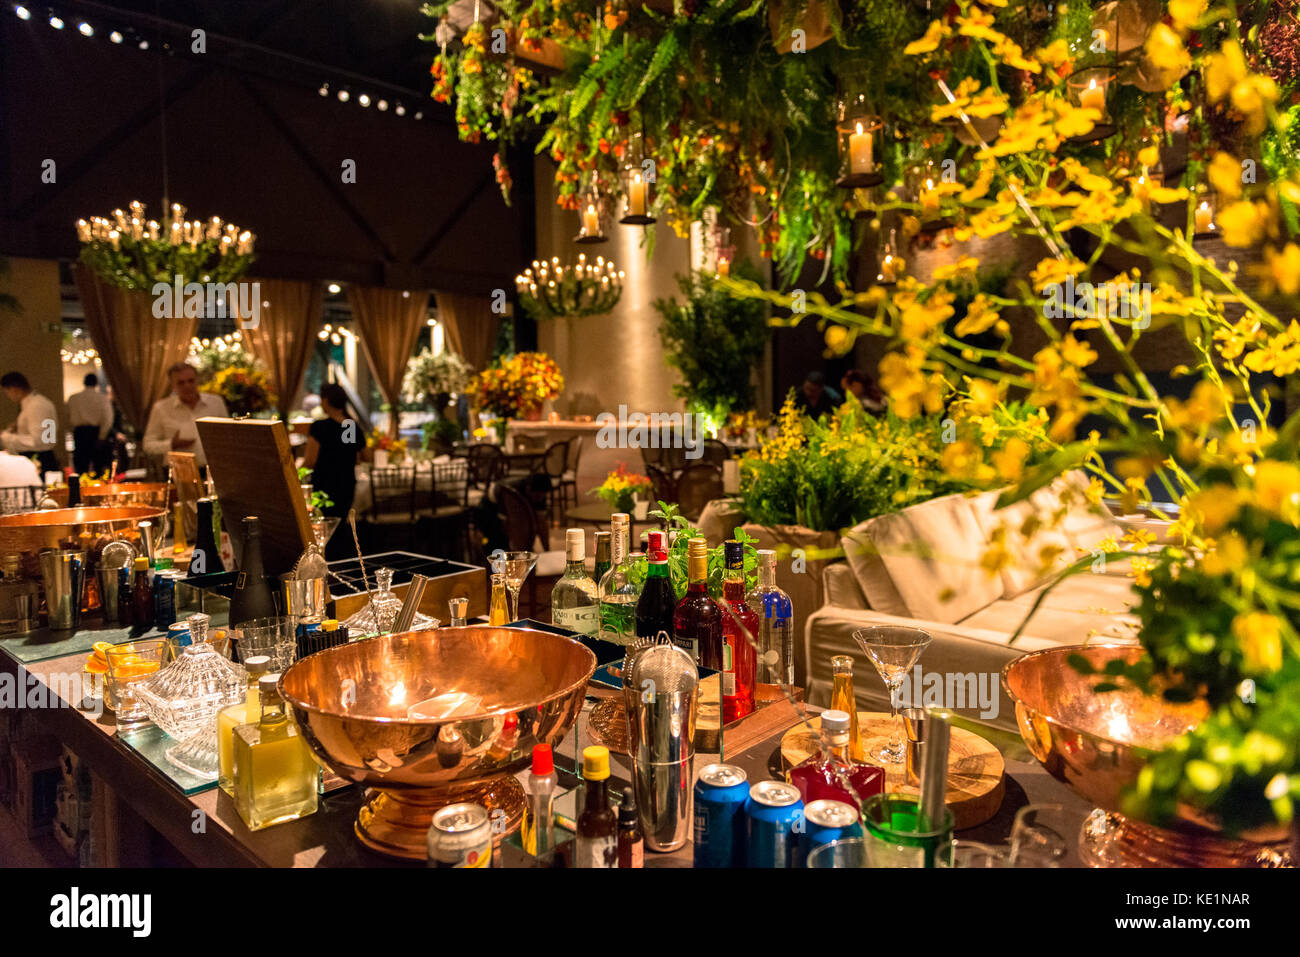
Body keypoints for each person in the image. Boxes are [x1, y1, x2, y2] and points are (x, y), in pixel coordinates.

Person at [143, 362, 228, 469]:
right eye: (181, 383)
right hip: (179, 471)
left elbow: (228, 437)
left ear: (197, 380)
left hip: (214, 468)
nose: (187, 386)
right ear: (173, 385)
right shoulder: (161, 408)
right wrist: (172, 444)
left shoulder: (215, 403)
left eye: (190, 381)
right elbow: (148, 445)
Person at [302, 383, 359, 520]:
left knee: (324, 524)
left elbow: (310, 461)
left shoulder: (320, 427)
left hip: (325, 485)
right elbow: (355, 457)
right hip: (346, 484)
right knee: (340, 525)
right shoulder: (349, 426)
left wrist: (296, 474)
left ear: (325, 401)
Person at [0, 371, 59, 474]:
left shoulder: (36, 405)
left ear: (14, 389)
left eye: (7, 392)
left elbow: (40, 441)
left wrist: (6, 436)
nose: (8, 396)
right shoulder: (35, 403)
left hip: (40, 459)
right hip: (40, 456)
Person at [67, 372, 115, 475]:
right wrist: (102, 436)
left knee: (81, 468)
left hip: (80, 433)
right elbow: (108, 419)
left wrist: (73, 431)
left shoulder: (74, 398)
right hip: (95, 433)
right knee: (99, 468)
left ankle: (81, 489)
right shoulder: (102, 398)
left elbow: (67, 418)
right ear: (96, 383)